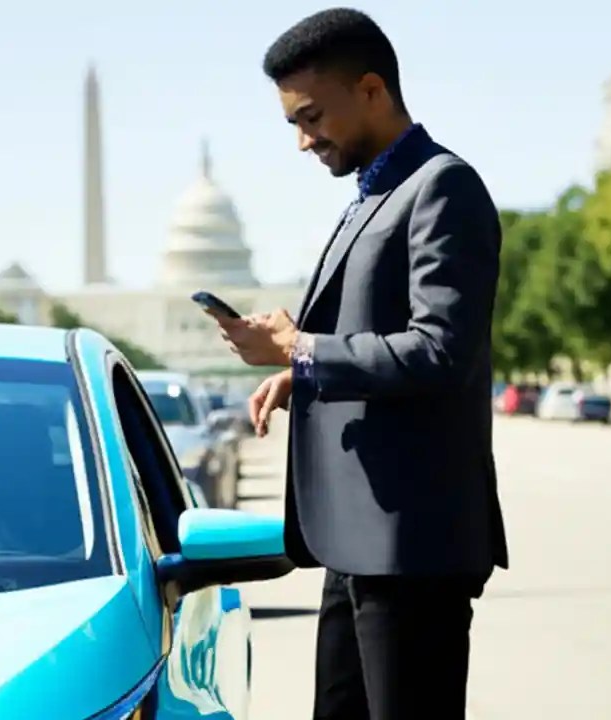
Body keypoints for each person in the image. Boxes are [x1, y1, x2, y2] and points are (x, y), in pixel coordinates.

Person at [204, 7, 509, 719]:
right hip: (354, 542)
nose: (304, 141)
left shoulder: (442, 187)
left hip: (412, 548)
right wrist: (298, 373)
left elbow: (440, 351)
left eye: (312, 117)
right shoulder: (371, 195)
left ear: (371, 89)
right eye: (293, 124)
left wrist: (302, 348)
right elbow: (376, 336)